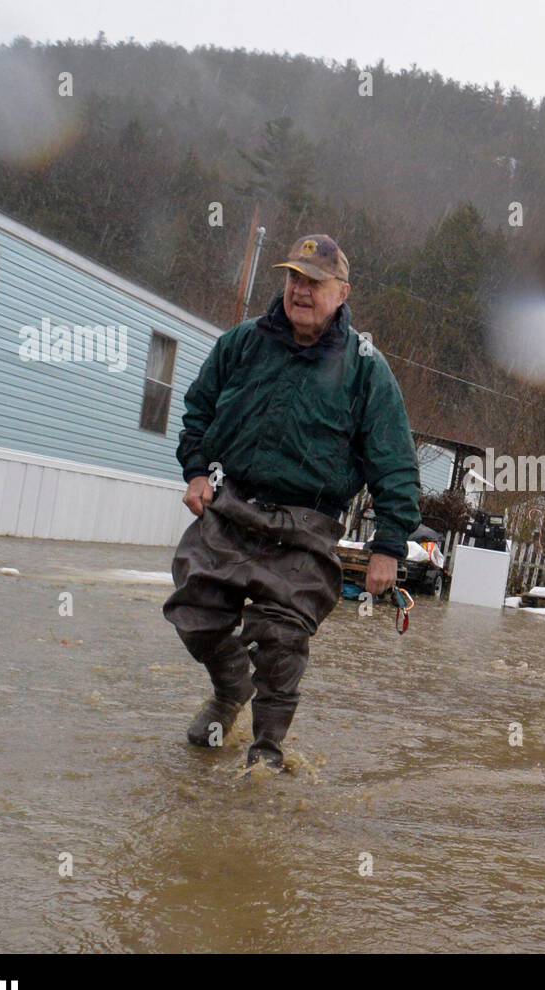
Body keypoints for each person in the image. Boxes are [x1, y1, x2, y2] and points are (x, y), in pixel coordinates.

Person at [164, 234, 421, 768]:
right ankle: (230, 690)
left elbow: (394, 461)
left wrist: (388, 546)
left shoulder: (366, 369)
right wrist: (195, 471)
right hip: (232, 505)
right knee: (194, 612)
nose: (300, 291)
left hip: (307, 525)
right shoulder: (242, 343)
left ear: (343, 292)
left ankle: (267, 755)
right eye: (293, 279)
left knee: (279, 638)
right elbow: (197, 408)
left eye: (314, 282)